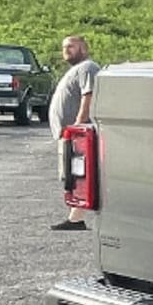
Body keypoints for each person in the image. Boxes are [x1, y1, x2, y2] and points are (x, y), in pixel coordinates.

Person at [49, 35, 102, 231]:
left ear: (84, 49)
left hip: (78, 135)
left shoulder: (88, 67)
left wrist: (78, 126)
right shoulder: (76, 70)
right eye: (64, 47)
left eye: (71, 46)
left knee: (80, 174)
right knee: (73, 175)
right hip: (69, 134)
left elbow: (88, 95)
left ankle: (76, 218)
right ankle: (75, 217)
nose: (67, 50)